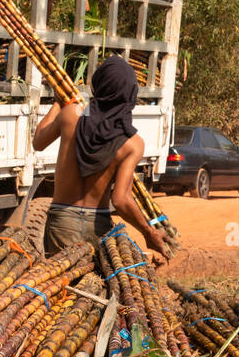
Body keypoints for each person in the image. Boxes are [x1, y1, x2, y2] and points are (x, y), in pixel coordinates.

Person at [32, 56, 168, 263]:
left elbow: (38, 142)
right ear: (130, 95)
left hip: (62, 221)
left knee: (61, 290)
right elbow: (121, 201)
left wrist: (59, 103)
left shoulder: (71, 114)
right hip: (99, 224)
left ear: (99, 85)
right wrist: (149, 232)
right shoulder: (132, 143)